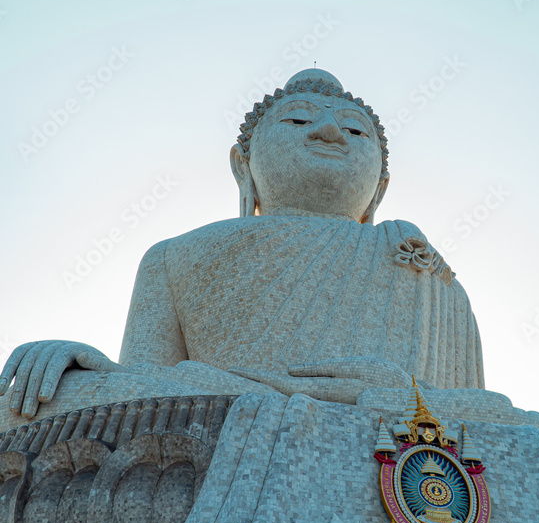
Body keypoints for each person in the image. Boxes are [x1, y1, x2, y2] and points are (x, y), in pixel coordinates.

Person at [0, 68, 484, 428]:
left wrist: (395, 394)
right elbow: (139, 405)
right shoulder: (174, 257)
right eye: (297, 120)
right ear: (243, 166)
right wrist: (87, 369)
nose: (330, 133)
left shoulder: (422, 271)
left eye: (356, 131)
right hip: (212, 428)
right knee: (30, 404)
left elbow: (487, 419)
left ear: (379, 188)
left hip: (394, 450)